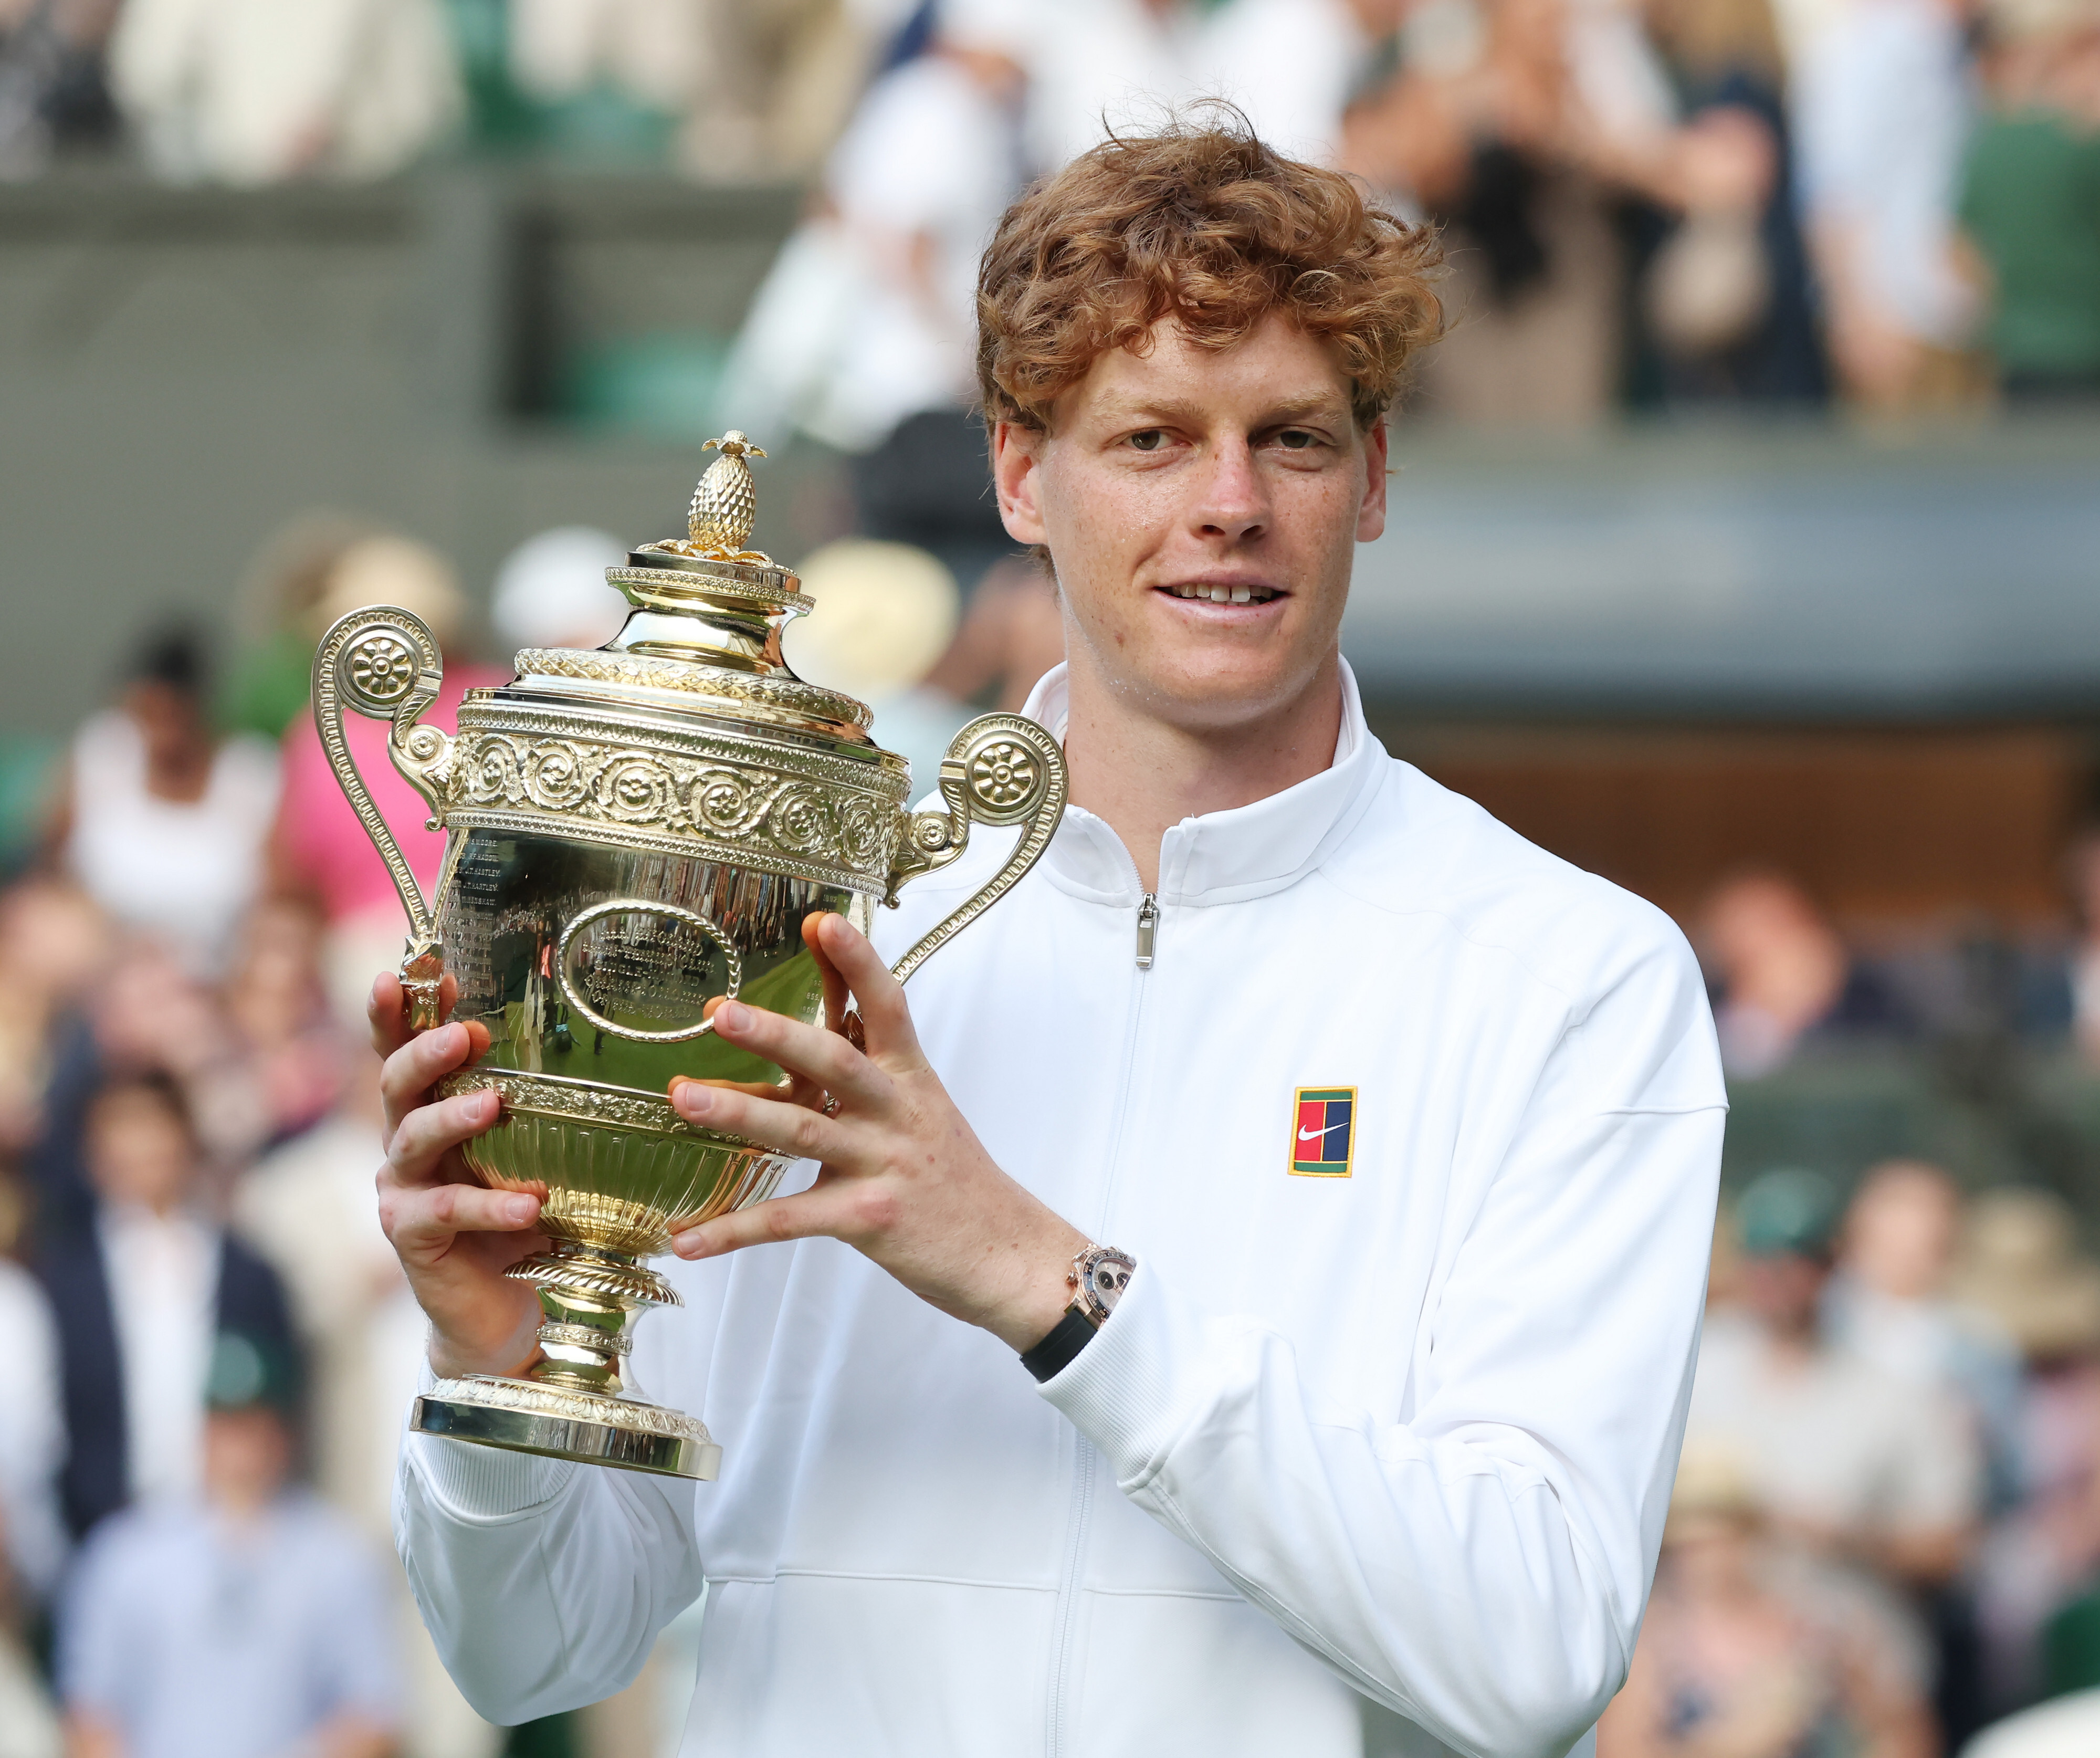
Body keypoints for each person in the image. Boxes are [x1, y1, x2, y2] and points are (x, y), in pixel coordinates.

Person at [382, 119, 1726, 1756]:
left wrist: (1048, 1287)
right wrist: (503, 1350)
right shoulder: (811, 921)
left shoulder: (1574, 977)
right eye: (1152, 438)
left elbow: (1528, 1650)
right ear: (1021, 474)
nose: (1228, 505)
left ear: (1370, 480)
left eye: (1290, 441)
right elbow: (546, 1650)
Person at [57, 1331, 402, 1758]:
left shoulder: (339, 1558)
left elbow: (375, 1718)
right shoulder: (125, 1555)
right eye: (227, 1423)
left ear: (284, 1433)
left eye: (255, 1424)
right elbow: (89, 1716)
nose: (241, 1446)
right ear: (201, 1429)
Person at [1687, 1169, 1982, 1596]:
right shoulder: (1696, 1370)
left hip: (1844, 1624)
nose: (1778, 1277)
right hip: (1708, 1632)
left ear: (1832, 1264)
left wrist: (1841, 1536)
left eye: (1797, 1260)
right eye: (1763, 1259)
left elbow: (1950, 1545)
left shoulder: (1892, 1385)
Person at [33, 1071, 297, 1540]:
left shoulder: (246, 1273)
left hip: (231, 1527)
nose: (142, 1149)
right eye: (121, 1130)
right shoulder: (60, 1280)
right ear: (93, 1153)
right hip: (101, 1530)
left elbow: (282, 1402)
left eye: (155, 1127)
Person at [1599, 1444, 1936, 1758]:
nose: (1706, 1560)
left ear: (1752, 1535)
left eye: (1720, 1538)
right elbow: (1619, 1751)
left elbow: (1903, 1731)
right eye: (1689, 1545)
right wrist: (1731, 1743)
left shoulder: (1815, 1629)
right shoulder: (1651, 1645)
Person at [48, 625, 280, 978]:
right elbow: (50, 868)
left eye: (173, 715)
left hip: (216, 978)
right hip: (100, 974)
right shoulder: (101, 753)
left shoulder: (251, 774)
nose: (160, 733)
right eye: (146, 714)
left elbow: (278, 897)